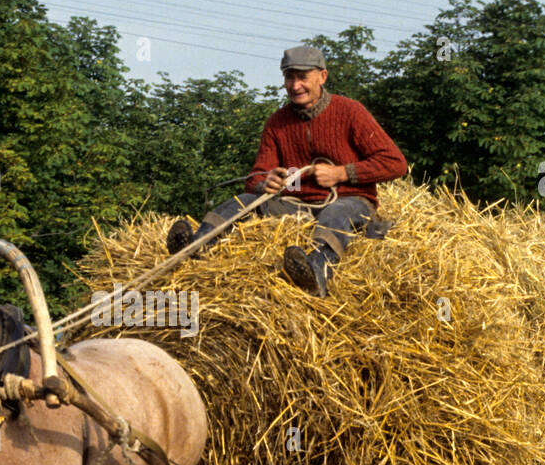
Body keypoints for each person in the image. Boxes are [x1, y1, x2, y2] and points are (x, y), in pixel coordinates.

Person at [167, 45, 407, 296]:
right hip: (296, 205)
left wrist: (341, 174)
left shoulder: (350, 112)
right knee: (246, 200)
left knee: (337, 213)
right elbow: (256, 177)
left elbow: (395, 163)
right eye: (289, 77)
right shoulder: (276, 122)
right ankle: (199, 242)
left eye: (302, 77)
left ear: (322, 76)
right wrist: (265, 183)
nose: (295, 86)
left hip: (351, 201)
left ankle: (318, 269)